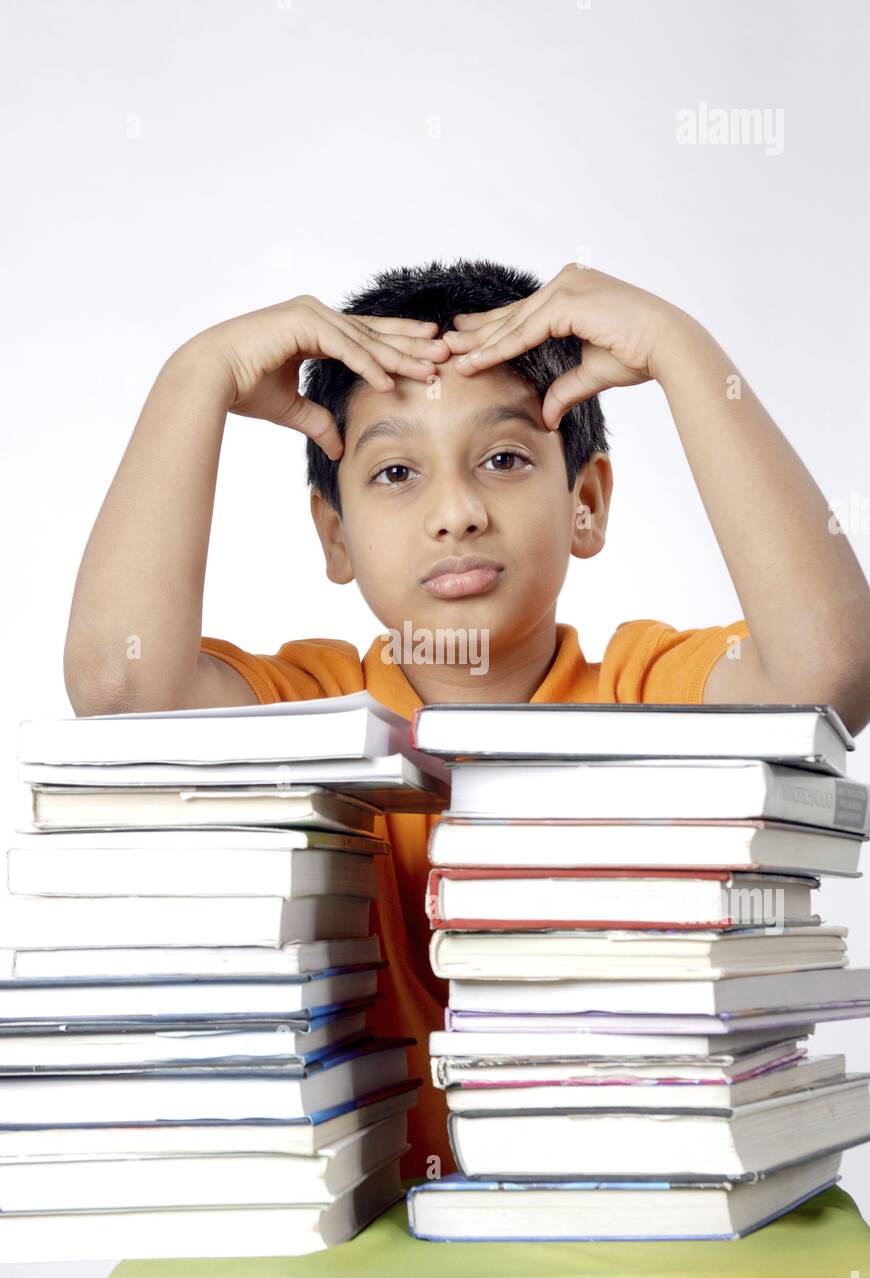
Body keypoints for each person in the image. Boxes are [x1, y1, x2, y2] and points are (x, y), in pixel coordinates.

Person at [64, 258, 870, 1178]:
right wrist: (193, 377)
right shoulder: (308, 713)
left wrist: (683, 352)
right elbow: (120, 689)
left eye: (503, 459)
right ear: (335, 534)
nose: (455, 513)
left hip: (627, 1227)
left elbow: (831, 668)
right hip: (368, 1244)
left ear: (587, 503)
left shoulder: (649, 697)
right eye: (396, 471)